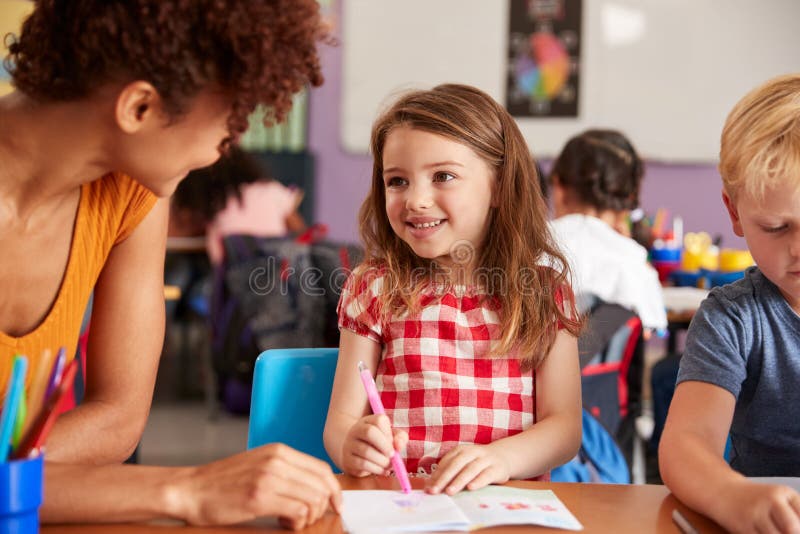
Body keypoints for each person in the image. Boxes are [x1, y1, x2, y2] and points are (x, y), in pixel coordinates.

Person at [0, 0, 340, 528]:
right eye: (227, 123)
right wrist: (184, 489)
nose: (223, 150)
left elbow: (116, 422)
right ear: (140, 108)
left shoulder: (134, 191)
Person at [323, 83, 583, 496]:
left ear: (499, 186)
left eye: (443, 176)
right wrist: (350, 446)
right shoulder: (373, 287)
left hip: (503, 510)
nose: (416, 200)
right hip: (402, 508)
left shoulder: (543, 293)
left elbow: (565, 427)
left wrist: (502, 459)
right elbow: (340, 422)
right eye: (397, 181)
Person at [659, 73, 800, 533]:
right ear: (734, 213)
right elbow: (687, 442)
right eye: (777, 228)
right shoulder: (733, 318)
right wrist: (730, 495)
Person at [548, 129, 667, 332]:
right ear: (629, 197)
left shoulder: (531, 242)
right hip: (606, 364)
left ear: (559, 188)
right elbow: (650, 329)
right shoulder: (631, 257)